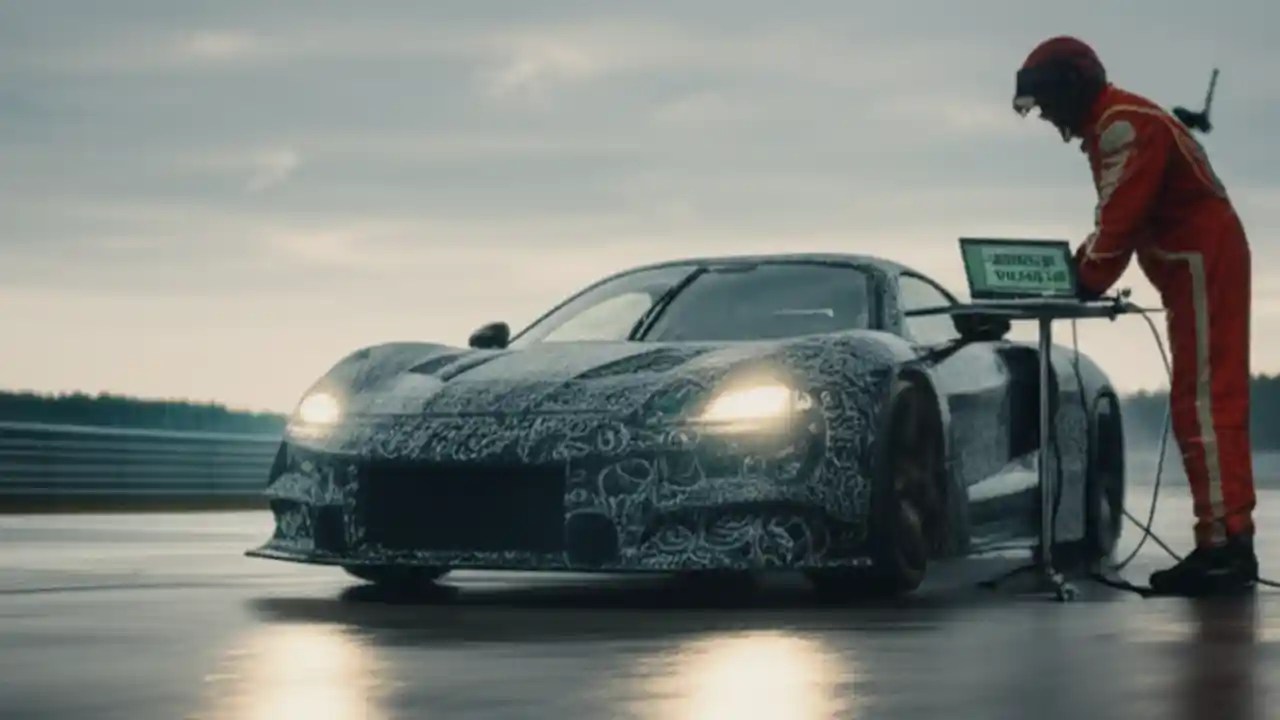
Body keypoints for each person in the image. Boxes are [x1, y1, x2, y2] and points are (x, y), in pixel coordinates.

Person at [1011, 36, 1258, 595]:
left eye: (1048, 104)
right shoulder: (1119, 121)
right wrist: (1080, 268)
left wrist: (1083, 277)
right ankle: (1223, 538)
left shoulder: (1123, 126)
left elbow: (1120, 219)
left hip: (1200, 263)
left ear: (1071, 90)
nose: (1049, 118)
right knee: (1202, 399)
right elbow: (1115, 219)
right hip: (1197, 263)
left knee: (1205, 402)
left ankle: (1224, 545)